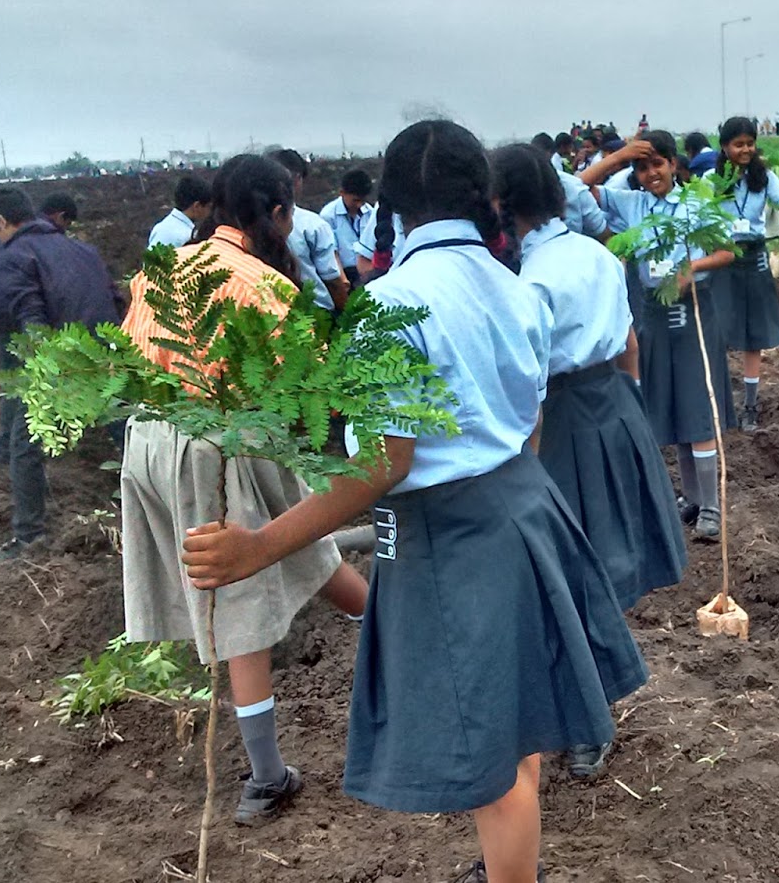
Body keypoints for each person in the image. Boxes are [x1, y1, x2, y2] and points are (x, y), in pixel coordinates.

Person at [181, 121, 647, 883]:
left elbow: (381, 465)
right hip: (524, 508)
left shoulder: (388, 305)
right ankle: (506, 868)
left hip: (450, 539)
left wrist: (258, 547)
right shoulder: (516, 285)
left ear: (391, 205)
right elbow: (529, 421)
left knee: (489, 755)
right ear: (482, 196)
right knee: (516, 725)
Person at [118, 155, 370, 825]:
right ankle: (266, 778)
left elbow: (128, 362)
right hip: (217, 443)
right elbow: (308, 386)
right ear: (278, 213)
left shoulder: (160, 269)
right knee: (239, 598)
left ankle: (378, 617)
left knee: (292, 536)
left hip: (151, 440)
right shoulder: (262, 284)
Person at [495, 143, 686, 777]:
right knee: (599, 555)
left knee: (570, 568)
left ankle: (592, 717)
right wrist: (631, 408)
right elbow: (629, 341)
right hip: (617, 403)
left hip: (569, 416)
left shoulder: (530, 281)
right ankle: (592, 704)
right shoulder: (597, 254)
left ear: (502, 207)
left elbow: (530, 392)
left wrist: (522, 462)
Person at [581, 132, 736, 541]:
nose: (651, 174)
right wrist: (620, 155)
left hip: (694, 310)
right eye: (642, 167)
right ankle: (693, 497)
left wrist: (691, 268)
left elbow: (726, 251)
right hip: (653, 313)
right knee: (670, 405)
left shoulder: (696, 203)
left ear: (673, 164)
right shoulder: (630, 205)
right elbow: (575, 189)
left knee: (697, 405)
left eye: (658, 164)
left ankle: (712, 506)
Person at [0, 188, 124, 562]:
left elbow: (32, 318)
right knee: (129, 432)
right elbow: (116, 300)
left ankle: (29, 538)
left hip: (61, 361)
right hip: (106, 355)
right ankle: (162, 506)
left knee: (25, 444)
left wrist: (44, 374)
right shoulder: (82, 249)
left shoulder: (14, 256)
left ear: (1, 222)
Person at [708, 116, 779, 430]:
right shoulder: (711, 180)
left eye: (750, 143)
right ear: (725, 146)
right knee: (719, 330)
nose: (745, 149)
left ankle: (750, 405)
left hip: (754, 256)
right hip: (723, 258)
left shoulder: (764, 176)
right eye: (738, 144)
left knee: (753, 335)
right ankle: (719, 403)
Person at [268, 149, 349, 311]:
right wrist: (348, 315)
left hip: (270, 312)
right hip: (317, 314)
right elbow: (332, 280)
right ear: (297, 179)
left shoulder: (247, 224)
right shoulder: (313, 224)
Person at [320, 169, 374, 284]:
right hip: (343, 272)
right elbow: (332, 252)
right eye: (355, 200)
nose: (359, 205)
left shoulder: (370, 212)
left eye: (363, 201)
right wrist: (343, 280)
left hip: (367, 271)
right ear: (342, 193)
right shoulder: (328, 216)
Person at [147, 175, 213, 248]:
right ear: (197, 206)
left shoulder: (161, 227)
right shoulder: (184, 237)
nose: (210, 211)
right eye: (209, 207)